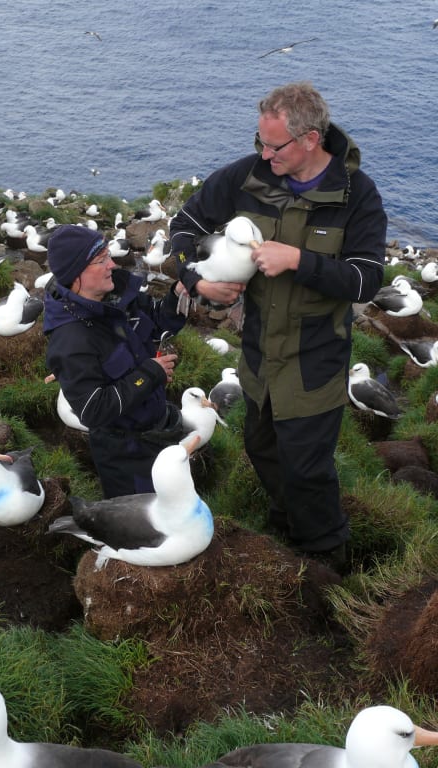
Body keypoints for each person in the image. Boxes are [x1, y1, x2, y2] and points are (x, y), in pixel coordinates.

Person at [169, 82, 387, 567]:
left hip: (315, 358)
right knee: (262, 447)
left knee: (307, 467)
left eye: (275, 146)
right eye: (260, 142)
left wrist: (299, 260)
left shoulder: (356, 195)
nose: (264, 155)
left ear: (311, 139)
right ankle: (289, 527)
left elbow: (366, 280)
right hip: (258, 353)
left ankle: (326, 559)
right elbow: (183, 226)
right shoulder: (248, 177)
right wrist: (195, 279)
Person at [43, 224, 188, 498]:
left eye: (109, 255)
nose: (113, 264)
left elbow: (156, 320)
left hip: (157, 431)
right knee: (142, 527)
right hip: (126, 457)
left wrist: (180, 294)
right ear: (77, 276)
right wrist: (150, 373)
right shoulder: (70, 340)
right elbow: (94, 410)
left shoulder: (116, 298)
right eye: (101, 260)